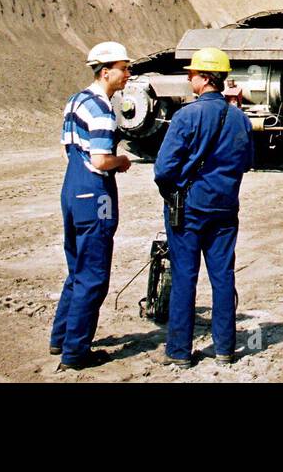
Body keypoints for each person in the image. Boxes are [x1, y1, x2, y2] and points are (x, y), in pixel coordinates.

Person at [153, 47, 253, 366]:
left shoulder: (186, 115)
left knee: (185, 276)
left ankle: (179, 352)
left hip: (189, 209)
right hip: (225, 208)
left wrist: (172, 192)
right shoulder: (240, 118)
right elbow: (247, 161)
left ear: (206, 78)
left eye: (192, 73)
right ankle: (224, 349)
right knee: (223, 276)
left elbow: (163, 170)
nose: (188, 77)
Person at [49, 41, 132, 370]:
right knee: (94, 276)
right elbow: (100, 159)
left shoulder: (75, 101)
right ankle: (76, 354)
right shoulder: (101, 109)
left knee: (77, 271)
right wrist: (121, 161)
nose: (128, 74)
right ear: (106, 71)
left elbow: (68, 149)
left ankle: (61, 338)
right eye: (124, 68)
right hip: (95, 195)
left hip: (71, 191)